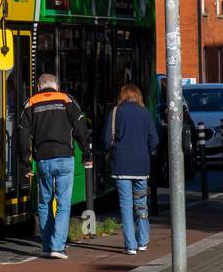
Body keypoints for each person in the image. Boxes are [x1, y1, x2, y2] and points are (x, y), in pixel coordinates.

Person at [18, 73, 92, 259]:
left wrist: (25, 164)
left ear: (38, 86)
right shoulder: (67, 100)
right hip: (64, 157)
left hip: (42, 159)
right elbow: (81, 129)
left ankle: (46, 244)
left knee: (44, 203)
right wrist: (86, 154)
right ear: (57, 86)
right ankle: (57, 247)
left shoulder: (30, 104)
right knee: (63, 203)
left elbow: (22, 137)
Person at [102, 83, 159, 254]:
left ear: (123, 96)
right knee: (141, 204)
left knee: (125, 206)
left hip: (121, 166)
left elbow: (106, 141)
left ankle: (130, 245)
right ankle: (142, 241)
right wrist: (145, 151)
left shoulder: (115, 113)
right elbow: (154, 140)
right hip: (141, 166)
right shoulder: (145, 113)